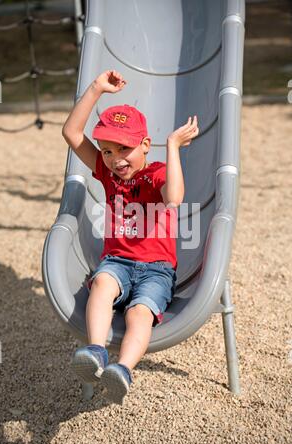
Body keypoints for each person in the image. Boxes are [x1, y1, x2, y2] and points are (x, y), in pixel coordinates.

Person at [62, 70, 198, 404]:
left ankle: (122, 369)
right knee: (102, 284)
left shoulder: (156, 175)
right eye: (107, 151)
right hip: (118, 262)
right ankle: (95, 351)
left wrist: (172, 147)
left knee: (140, 313)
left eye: (123, 148)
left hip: (156, 269)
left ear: (145, 146)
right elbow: (71, 132)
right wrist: (95, 88)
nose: (115, 159)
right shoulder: (106, 173)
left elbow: (175, 198)